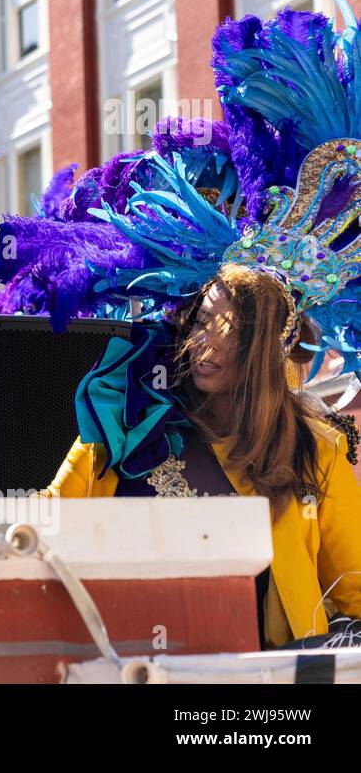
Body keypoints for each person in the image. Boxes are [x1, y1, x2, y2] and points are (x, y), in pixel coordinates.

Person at [47, 265, 361, 648]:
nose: (204, 344)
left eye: (229, 332)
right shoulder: (131, 417)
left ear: (262, 351)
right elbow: (50, 515)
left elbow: (354, 589)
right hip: (131, 662)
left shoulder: (316, 450)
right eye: (202, 323)